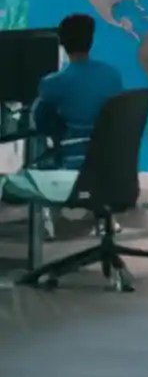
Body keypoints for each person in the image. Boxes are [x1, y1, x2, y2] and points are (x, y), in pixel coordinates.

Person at [1, 14, 124, 231]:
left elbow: (38, 122)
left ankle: (42, 221)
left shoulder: (53, 83)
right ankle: (105, 217)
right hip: (110, 165)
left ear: (62, 44)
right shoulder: (112, 75)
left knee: (40, 141)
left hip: (73, 165)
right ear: (91, 41)